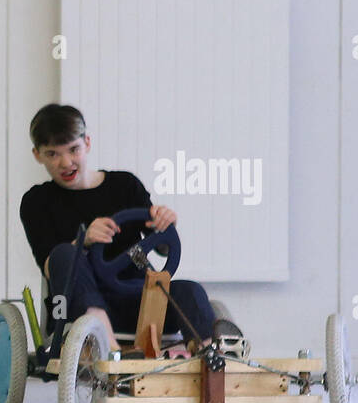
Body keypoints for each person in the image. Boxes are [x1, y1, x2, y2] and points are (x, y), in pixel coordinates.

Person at [19, 103, 222, 355]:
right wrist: (83, 241)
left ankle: (209, 354)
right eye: (52, 154)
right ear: (37, 155)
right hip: (79, 306)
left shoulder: (124, 185)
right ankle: (108, 350)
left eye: (73, 150)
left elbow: (161, 246)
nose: (66, 162)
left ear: (87, 144)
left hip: (140, 302)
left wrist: (165, 223)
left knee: (189, 289)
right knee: (64, 253)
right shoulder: (37, 201)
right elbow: (49, 266)